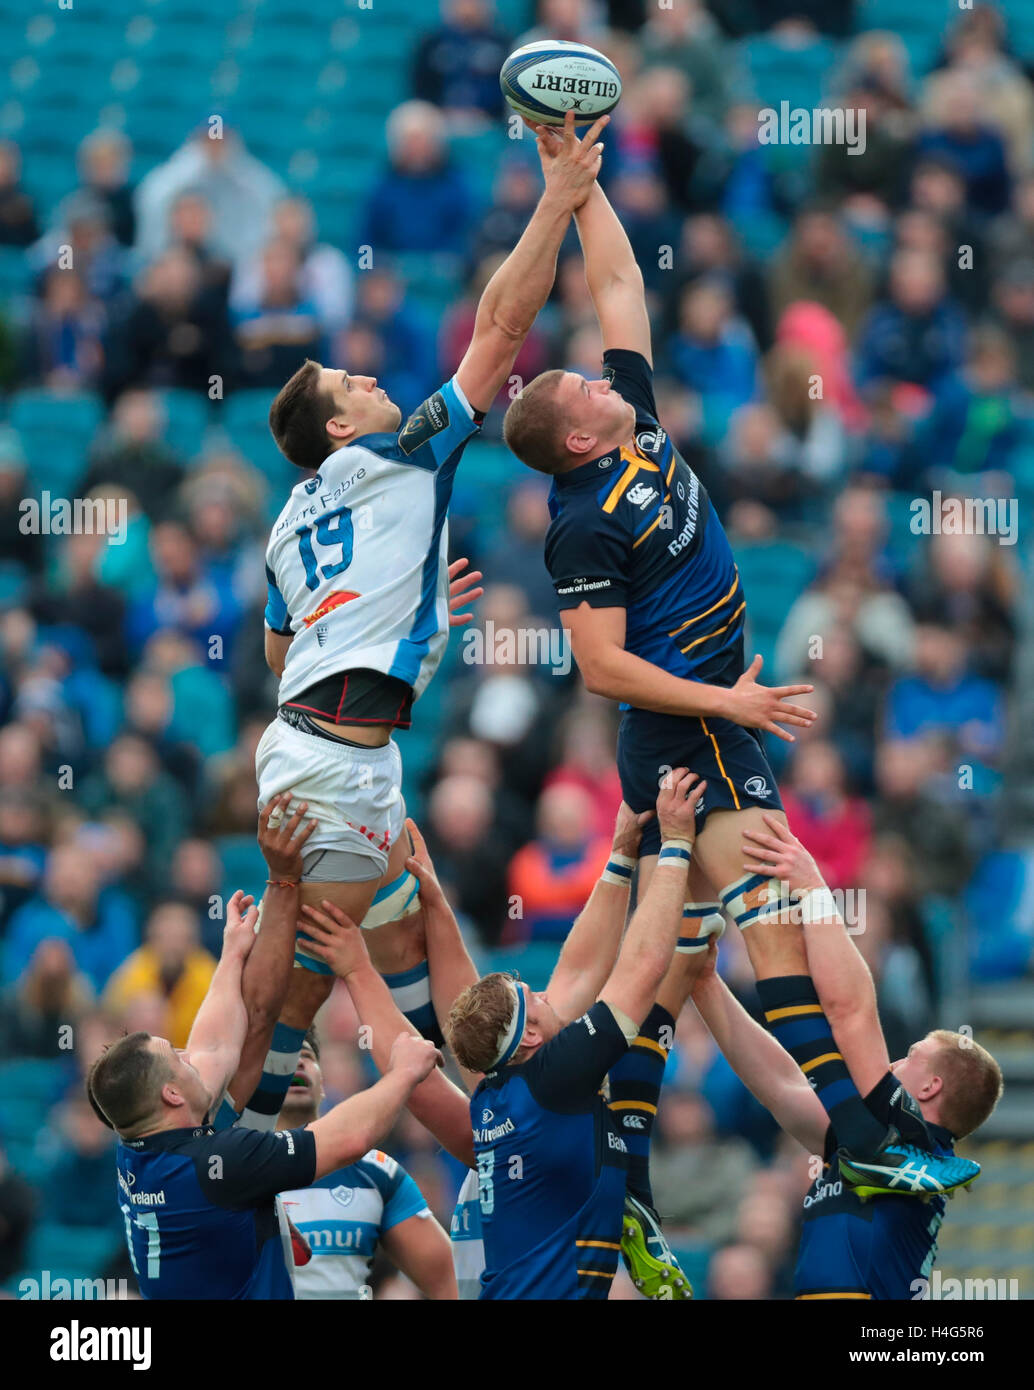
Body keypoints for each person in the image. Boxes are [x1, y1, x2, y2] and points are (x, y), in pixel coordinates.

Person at [247, 113, 609, 1136]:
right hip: (340, 760)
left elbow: (280, 647)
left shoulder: (285, 524)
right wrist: (556, 197)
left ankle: (272, 1119)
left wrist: (402, 614)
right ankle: (245, 1138)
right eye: (348, 386)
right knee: (310, 985)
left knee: (388, 936)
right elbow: (497, 332)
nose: (369, 381)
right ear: (334, 429)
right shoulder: (398, 453)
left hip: (316, 740)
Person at [500, 122, 816, 995]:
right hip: (691, 731)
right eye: (586, 387)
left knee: (691, 966)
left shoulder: (629, 418)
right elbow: (599, 668)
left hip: (714, 718)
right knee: (784, 927)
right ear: (574, 435)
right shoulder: (582, 525)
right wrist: (730, 702)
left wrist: (578, 177)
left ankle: (837, 1113)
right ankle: (857, 1122)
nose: (603, 380)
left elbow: (616, 279)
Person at [298, 789, 710, 1301]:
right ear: (531, 1037)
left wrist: (622, 853)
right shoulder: (554, 1077)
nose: (541, 991)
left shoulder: (496, 1096)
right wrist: (674, 845)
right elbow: (643, 965)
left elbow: (547, 980)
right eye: (532, 997)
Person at [86, 850, 442, 1298]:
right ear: (173, 1095)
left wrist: (232, 954)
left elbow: (214, 1048)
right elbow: (348, 1140)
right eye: (176, 1055)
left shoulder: (137, 1148)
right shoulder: (223, 1164)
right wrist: (403, 1074)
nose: (188, 1052)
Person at [681, 815, 1001, 1299]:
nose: (892, 1064)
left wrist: (813, 887)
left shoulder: (908, 1133)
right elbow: (781, 1085)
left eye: (910, 1057)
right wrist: (706, 984)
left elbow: (849, 1011)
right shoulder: (873, 1145)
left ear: (931, 1087)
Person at [277, 1031, 457, 1300]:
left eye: (305, 1056)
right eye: (280, 1059)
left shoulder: (377, 1173)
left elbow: (450, 1283)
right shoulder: (232, 1170)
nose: (296, 1064)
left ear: (324, 1083)